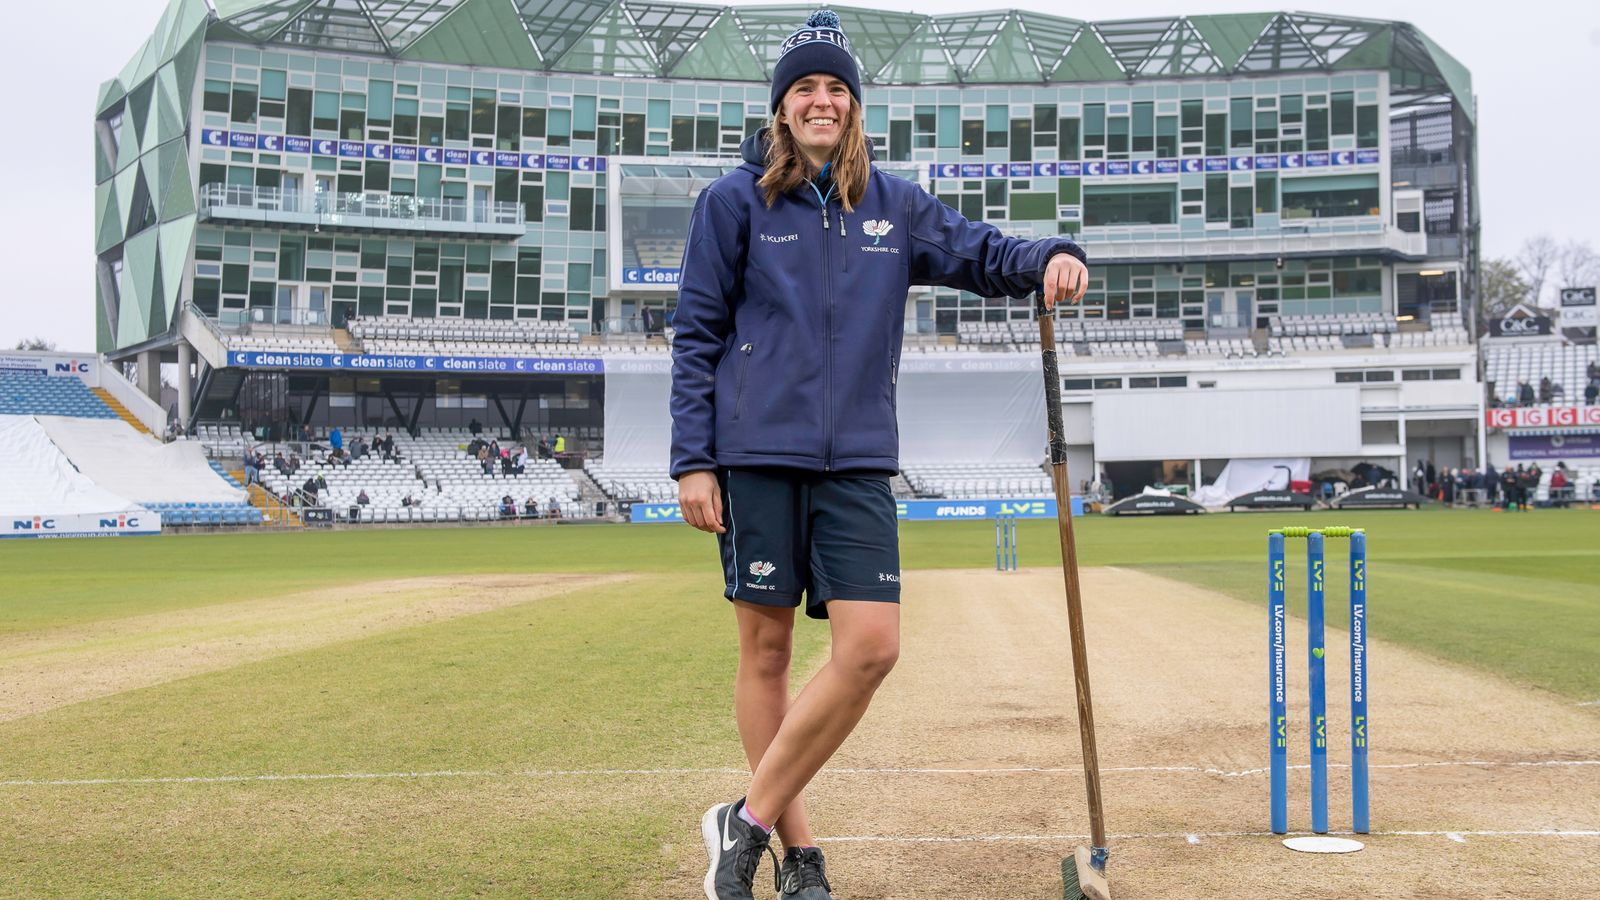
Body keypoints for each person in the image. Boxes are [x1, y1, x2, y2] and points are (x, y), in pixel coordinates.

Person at [668, 11, 1088, 897]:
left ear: (855, 108)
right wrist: (692, 460)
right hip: (756, 456)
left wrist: (1050, 252)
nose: (822, 101)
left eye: (836, 89)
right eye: (805, 89)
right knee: (769, 653)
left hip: (857, 457)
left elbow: (983, 253)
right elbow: (696, 337)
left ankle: (740, 823)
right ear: (781, 109)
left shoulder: (893, 206)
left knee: (871, 648)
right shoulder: (732, 202)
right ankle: (800, 858)